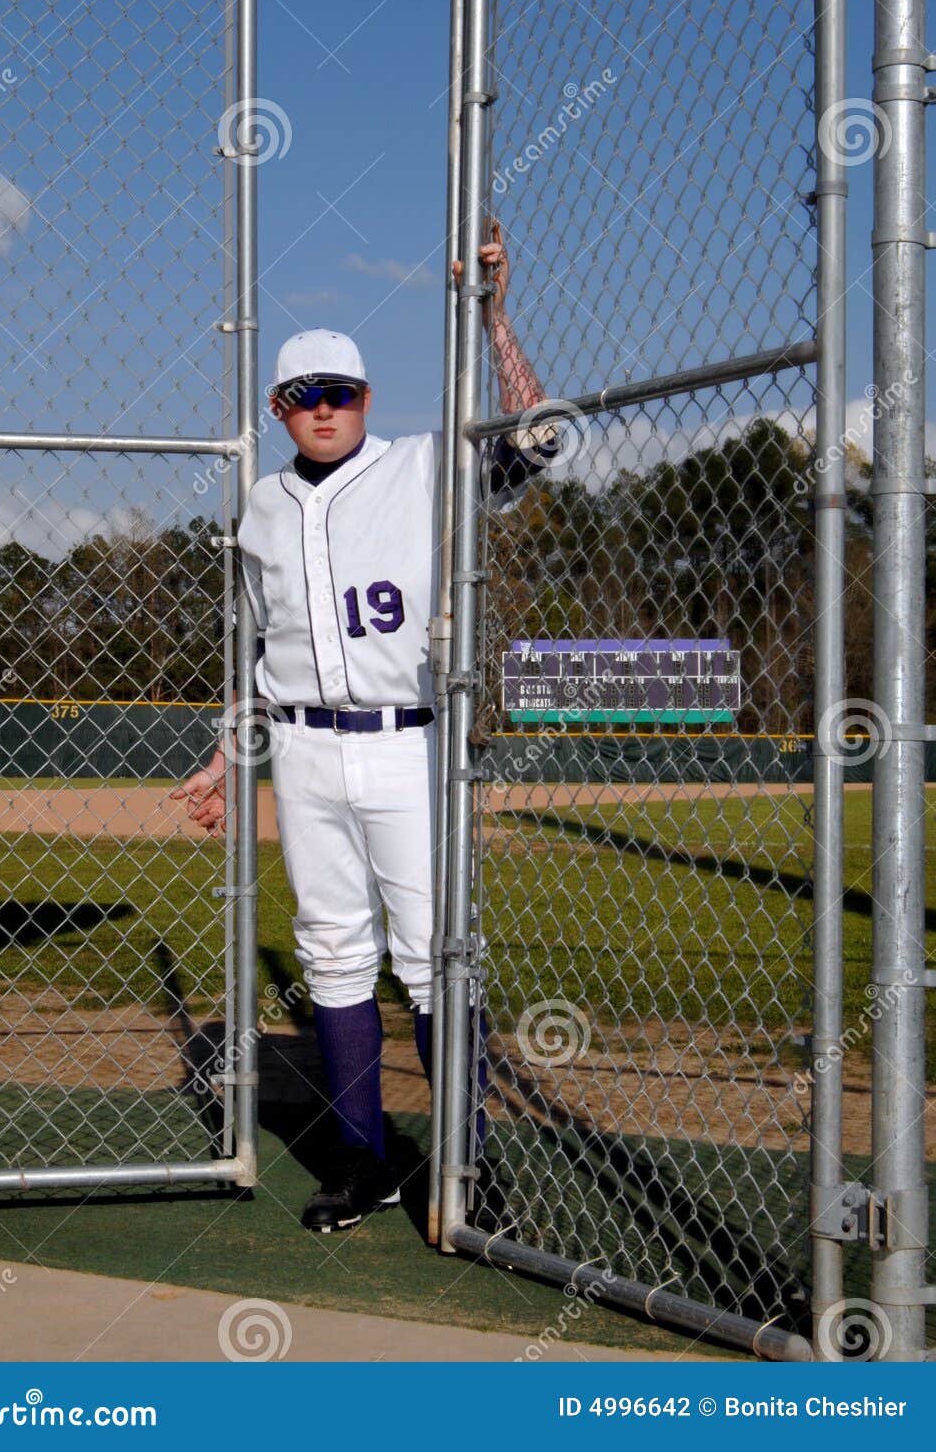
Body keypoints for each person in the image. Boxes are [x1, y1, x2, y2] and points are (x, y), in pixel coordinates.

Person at [172, 226, 558, 1231]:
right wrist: (227, 756)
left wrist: (492, 316)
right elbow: (262, 655)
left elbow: (543, 435)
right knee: (332, 954)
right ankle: (364, 1162)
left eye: (341, 393)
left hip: (406, 743)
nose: (325, 410)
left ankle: (466, 1172)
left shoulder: (422, 465)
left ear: (366, 399)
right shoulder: (257, 509)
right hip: (299, 747)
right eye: (306, 397)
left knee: (432, 956)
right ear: (279, 411)